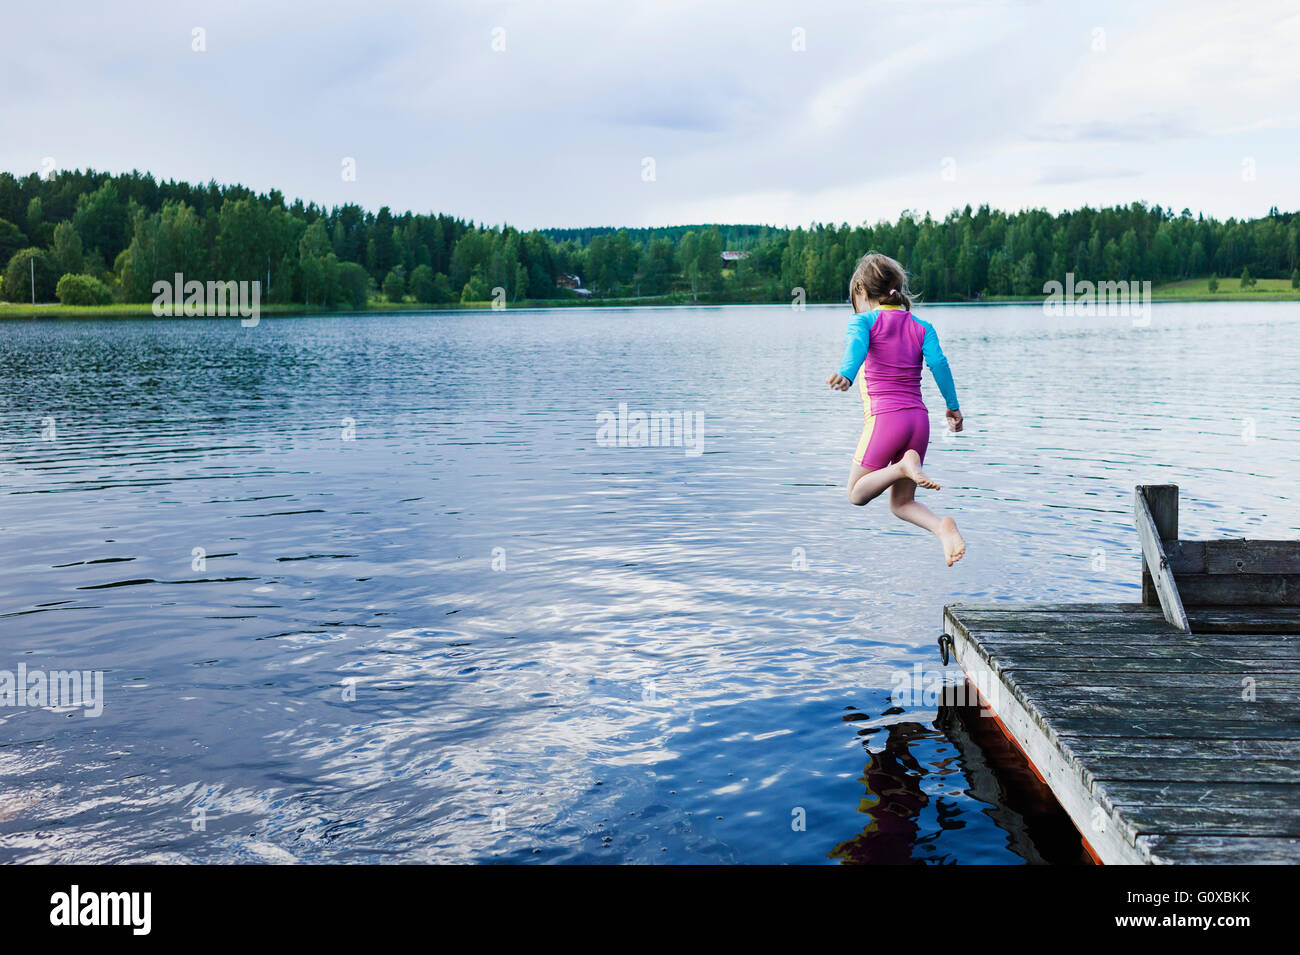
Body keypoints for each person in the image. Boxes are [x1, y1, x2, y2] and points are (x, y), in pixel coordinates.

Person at [826, 253, 966, 566]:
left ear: (861, 290)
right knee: (901, 503)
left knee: (856, 494)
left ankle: (903, 467)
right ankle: (942, 528)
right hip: (919, 421)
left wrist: (846, 374)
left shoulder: (863, 321)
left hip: (886, 421)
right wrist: (953, 408)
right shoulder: (922, 326)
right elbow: (939, 365)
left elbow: (857, 348)